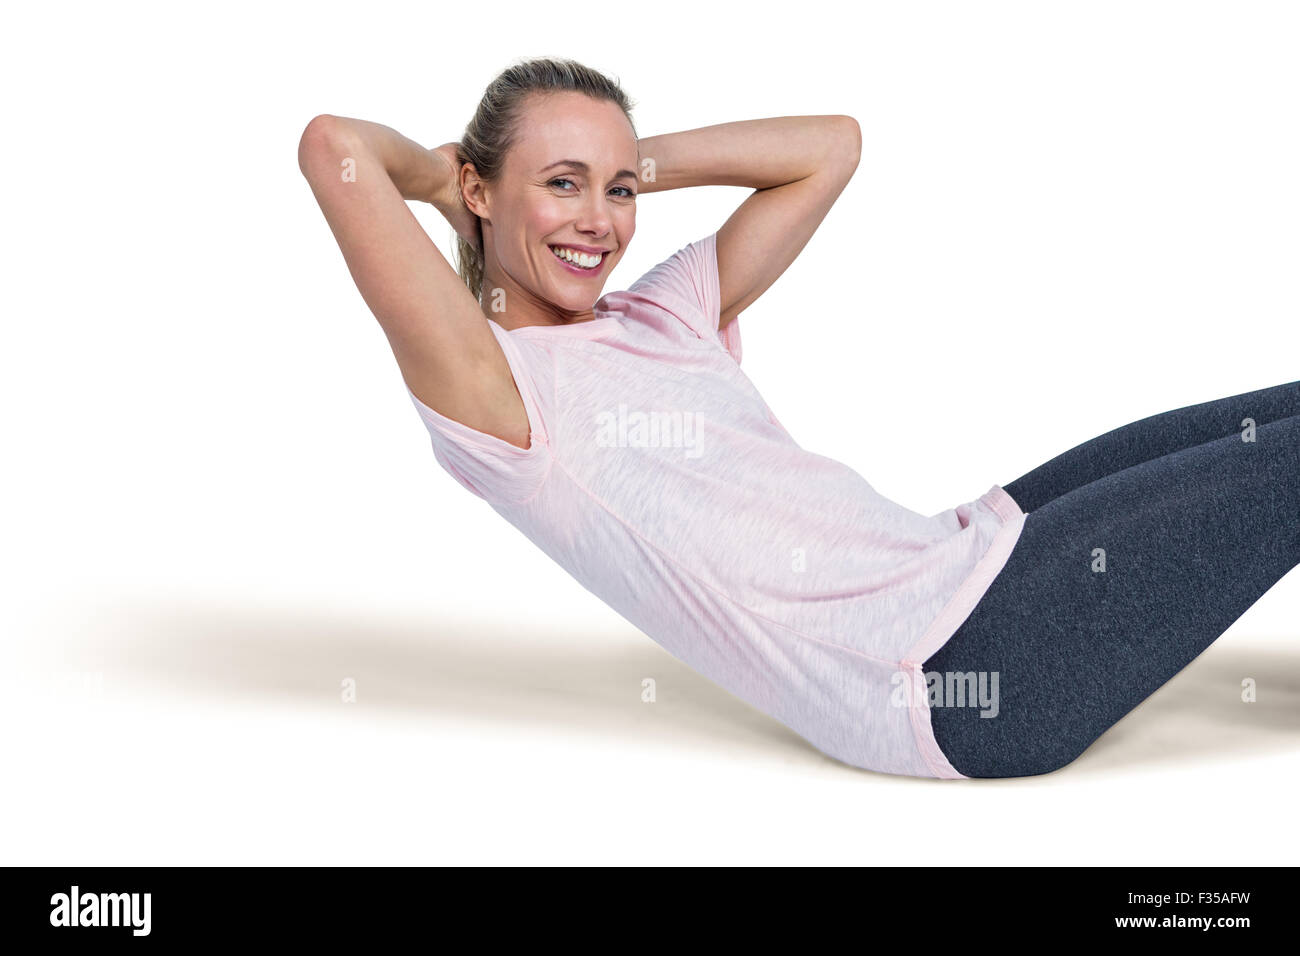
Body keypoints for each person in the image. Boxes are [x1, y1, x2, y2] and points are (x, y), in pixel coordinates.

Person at [298, 56, 1299, 779]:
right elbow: (333, 147)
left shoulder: (664, 310)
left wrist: (629, 156)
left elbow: (831, 147)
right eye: (561, 183)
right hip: (958, 669)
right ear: (481, 187)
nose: (598, 219)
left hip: (968, 555)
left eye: (617, 188)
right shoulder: (498, 394)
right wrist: (437, 183)